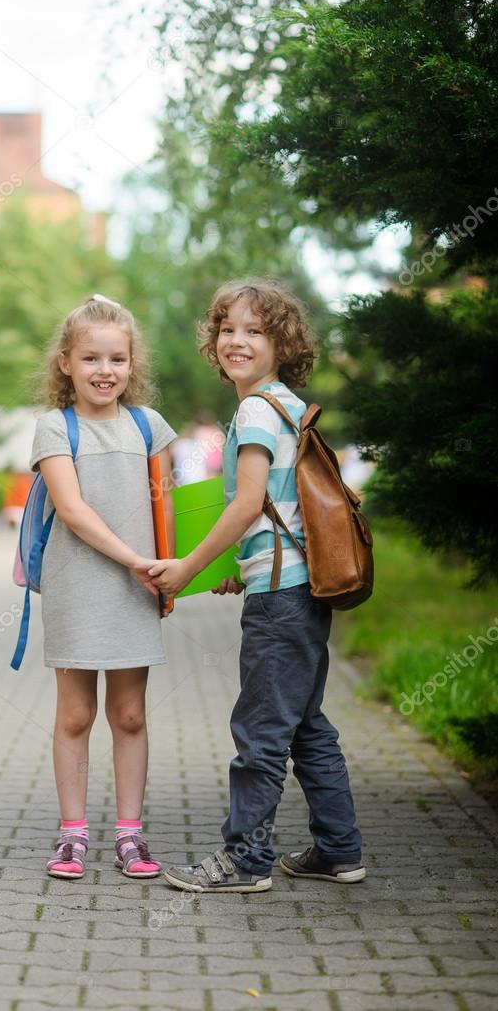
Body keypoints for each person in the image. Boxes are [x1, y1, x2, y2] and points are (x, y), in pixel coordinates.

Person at [148, 279, 365, 893]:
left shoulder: (253, 410)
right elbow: (280, 510)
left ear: (283, 343)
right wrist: (238, 567)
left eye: (255, 330)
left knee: (262, 730)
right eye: (228, 329)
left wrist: (188, 567)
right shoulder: (290, 406)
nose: (237, 341)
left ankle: (245, 862)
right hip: (301, 590)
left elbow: (247, 505)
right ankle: (339, 850)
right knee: (304, 724)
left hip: (282, 600)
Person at [28, 294, 177, 881]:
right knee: (74, 715)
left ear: (132, 363)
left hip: (137, 589)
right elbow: (72, 510)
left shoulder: (149, 426)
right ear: (66, 362)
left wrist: (186, 569)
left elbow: (171, 513)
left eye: (117, 358)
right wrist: (137, 560)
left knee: (131, 714)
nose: (104, 370)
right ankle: (71, 836)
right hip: (79, 588)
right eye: (91, 358)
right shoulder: (53, 428)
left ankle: (130, 836)